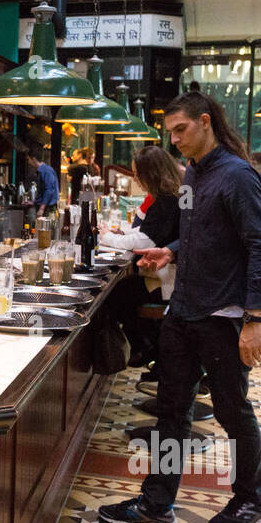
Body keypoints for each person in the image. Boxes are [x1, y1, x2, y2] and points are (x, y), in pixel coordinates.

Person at [98, 91, 261, 523]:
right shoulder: (192, 176)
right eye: (170, 132)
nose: (174, 139)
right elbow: (198, 236)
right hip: (183, 310)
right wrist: (170, 251)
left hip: (224, 314)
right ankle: (158, 503)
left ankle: (252, 500)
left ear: (205, 122)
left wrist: (254, 319)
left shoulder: (239, 177)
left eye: (181, 130)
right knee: (171, 411)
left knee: (233, 411)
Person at [100, 146, 182, 368]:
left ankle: (143, 349)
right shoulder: (167, 195)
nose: (135, 178)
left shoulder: (167, 199)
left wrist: (108, 238)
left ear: (152, 173)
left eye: (138, 173)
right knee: (120, 292)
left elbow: (146, 241)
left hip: (169, 280)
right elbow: (145, 233)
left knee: (113, 297)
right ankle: (148, 351)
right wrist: (120, 235)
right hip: (164, 275)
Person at [28, 148, 59, 220]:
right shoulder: (43, 170)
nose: (28, 162)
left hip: (47, 208)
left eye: (28, 159)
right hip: (45, 207)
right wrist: (34, 202)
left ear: (34, 159)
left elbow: (49, 190)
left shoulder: (46, 171)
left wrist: (42, 208)